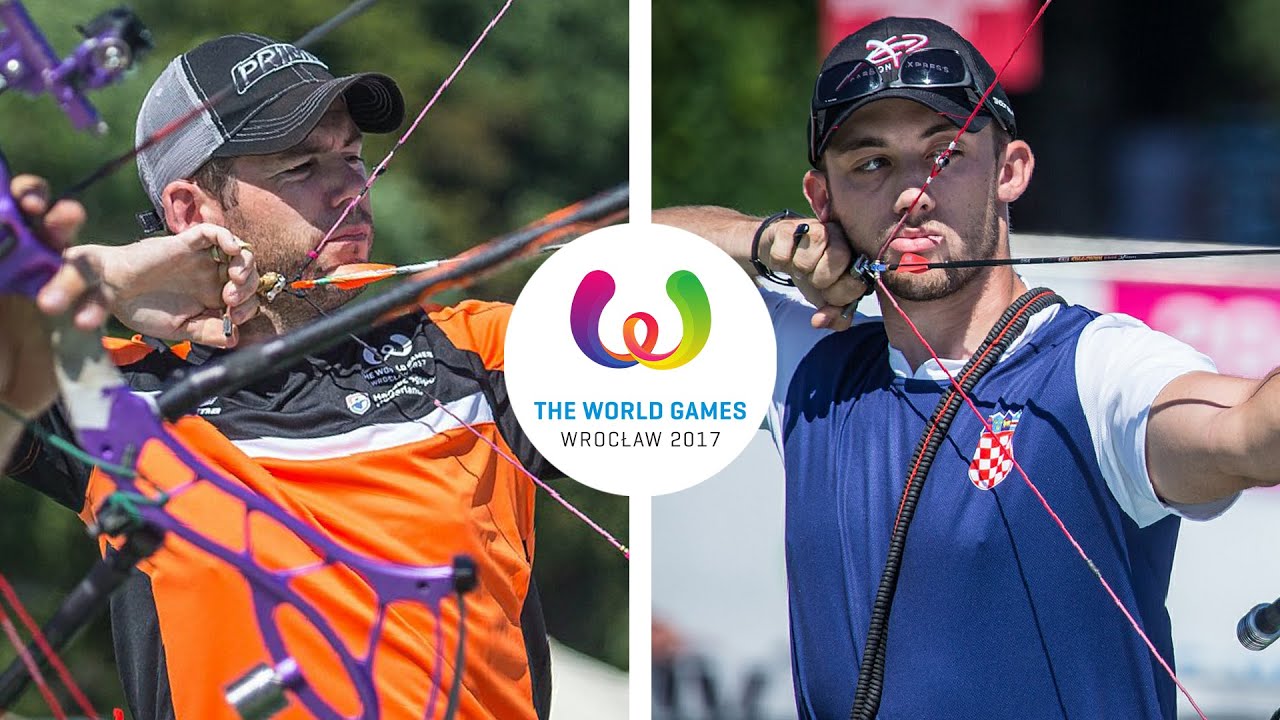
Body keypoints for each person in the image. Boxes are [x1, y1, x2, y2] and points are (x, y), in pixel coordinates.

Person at [656, 16, 1280, 720]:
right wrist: (765, 240)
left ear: (1010, 169)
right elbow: (602, 263)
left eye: (945, 155)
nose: (912, 194)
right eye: (871, 164)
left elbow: (1251, 433)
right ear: (822, 201)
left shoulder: (1101, 370)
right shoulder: (813, 364)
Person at [8, 34, 554, 720]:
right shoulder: (113, 398)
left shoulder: (468, 349)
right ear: (189, 210)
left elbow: (670, 290)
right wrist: (103, 278)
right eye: (301, 165)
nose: (353, 188)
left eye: (353, 156)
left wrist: (738, 243)